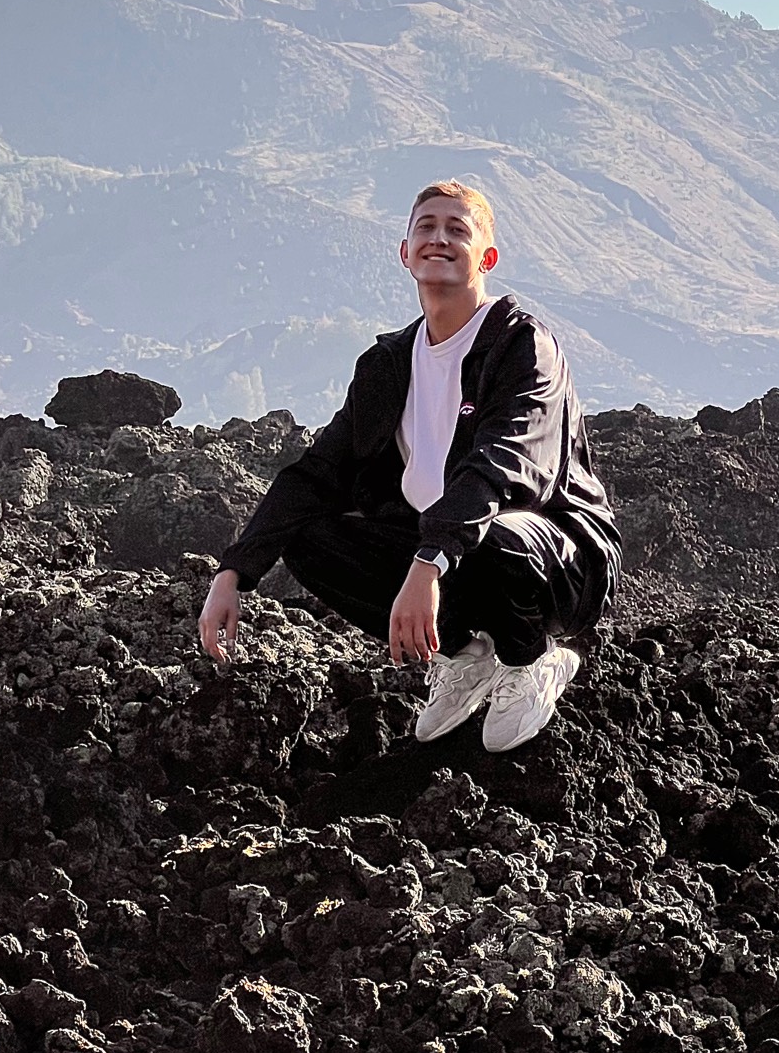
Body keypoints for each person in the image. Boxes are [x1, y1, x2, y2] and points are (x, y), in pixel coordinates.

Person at [197, 182, 621, 751]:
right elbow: (316, 472)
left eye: (457, 229)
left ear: (486, 258)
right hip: (447, 556)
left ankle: (533, 657)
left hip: (557, 561)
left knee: (493, 531)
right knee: (307, 536)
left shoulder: (521, 345)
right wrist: (234, 573)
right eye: (425, 227)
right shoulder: (388, 364)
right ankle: (466, 658)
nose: (438, 239)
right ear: (405, 252)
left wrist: (427, 562)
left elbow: (506, 464)